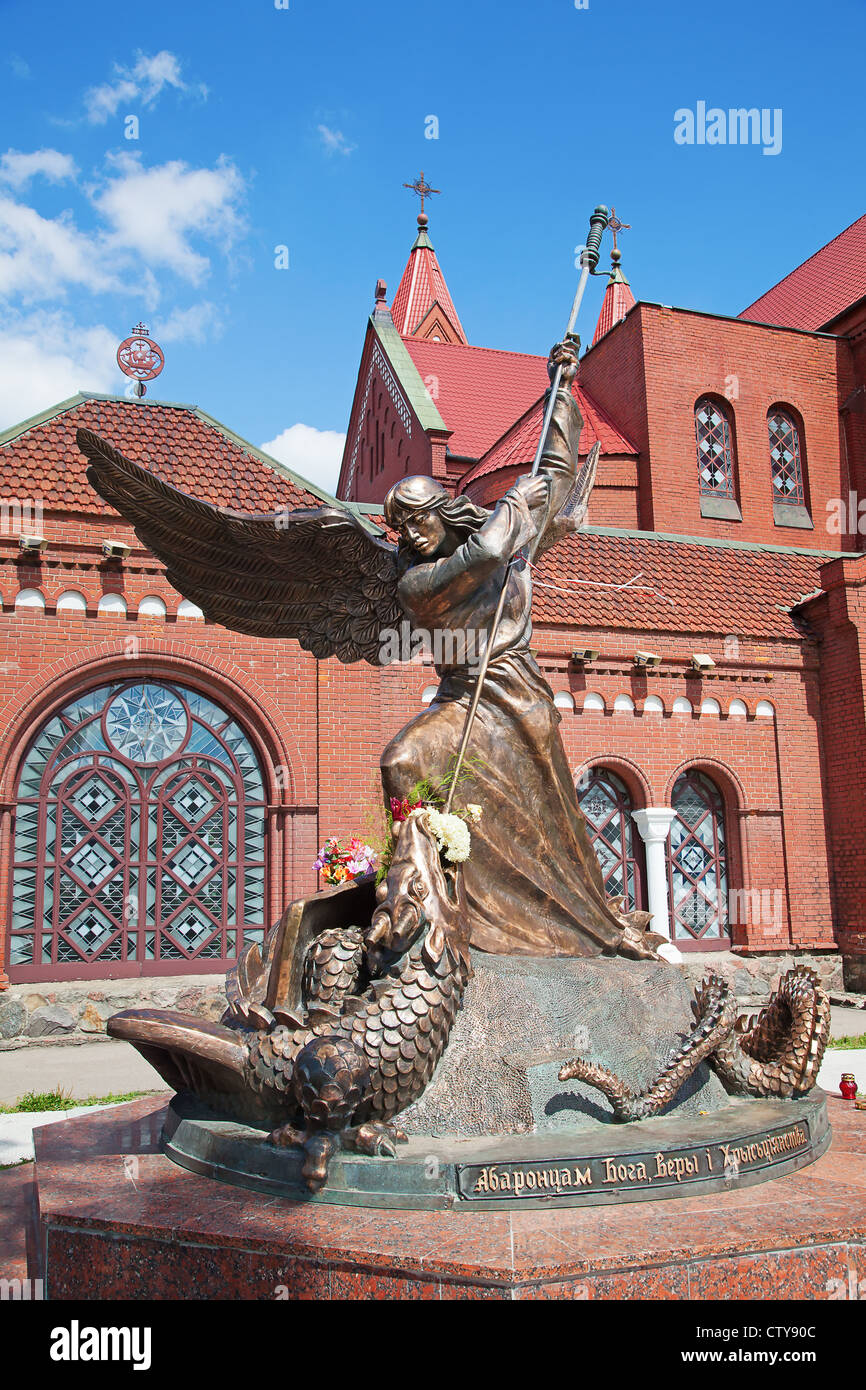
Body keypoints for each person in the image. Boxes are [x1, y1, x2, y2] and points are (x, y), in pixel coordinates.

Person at [382, 341, 661, 960]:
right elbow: (481, 556)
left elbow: (553, 476)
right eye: (401, 525)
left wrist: (561, 390)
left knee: (551, 818)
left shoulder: (509, 548)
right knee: (402, 758)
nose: (410, 532)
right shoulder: (417, 580)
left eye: (420, 518)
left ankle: (586, 918)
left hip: (516, 693)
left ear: (444, 512)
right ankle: (424, 903)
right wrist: (511, 507)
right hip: (462, 697)